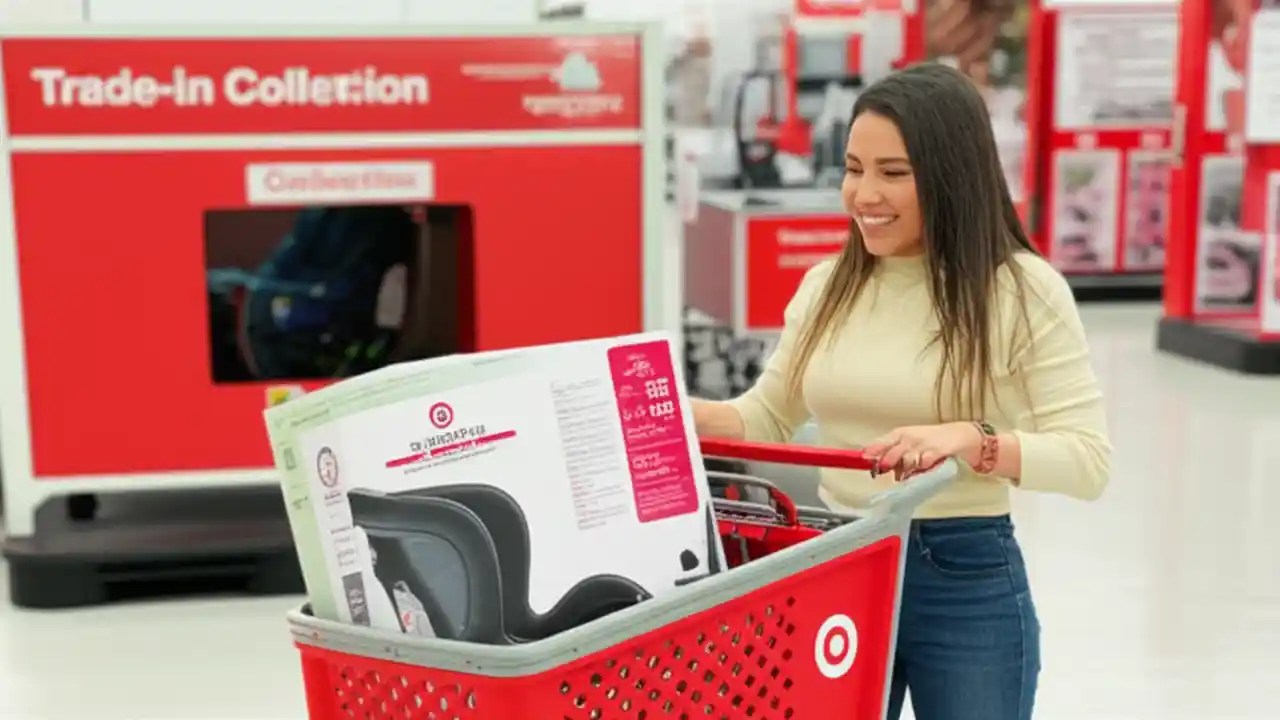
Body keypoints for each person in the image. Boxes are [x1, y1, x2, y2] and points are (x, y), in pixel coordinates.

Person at [691, 63, 1111, 720]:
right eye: (853, 168)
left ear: (950, 175)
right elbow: (765, 416)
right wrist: (669, 416)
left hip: (964, 573)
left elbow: (1089, 461)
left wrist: (973, 441)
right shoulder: (828, 285)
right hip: (836, 561)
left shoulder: (1024, 291)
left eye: (893, 173)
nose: (863, 194)